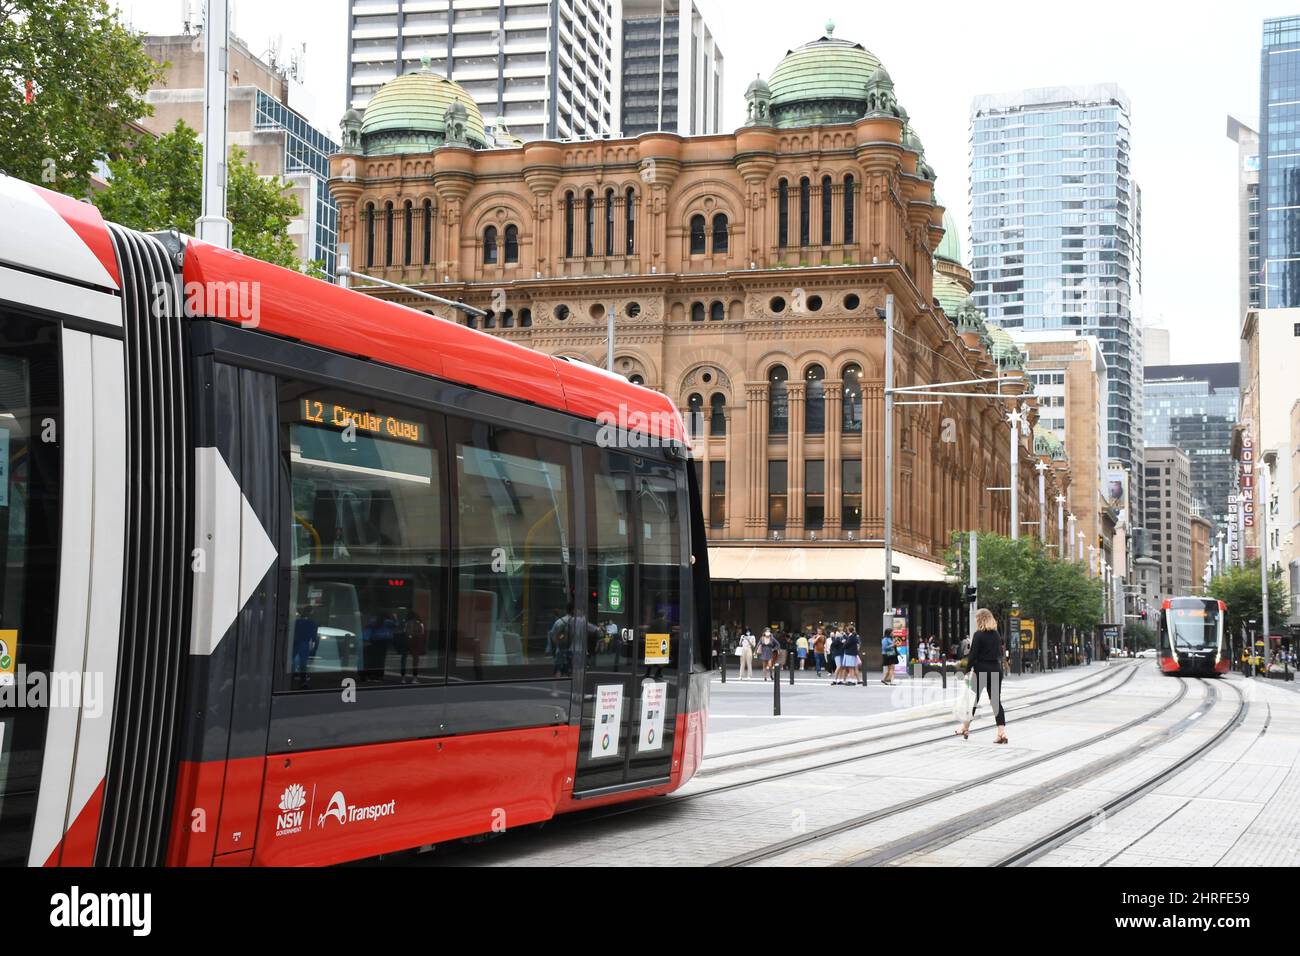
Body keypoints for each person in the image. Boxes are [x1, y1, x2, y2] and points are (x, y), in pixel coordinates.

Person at [957, 608, 1008, 743]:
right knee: (996, 702)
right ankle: (1001, 732)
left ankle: (965, 727)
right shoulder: (997, 635)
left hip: (981, 671)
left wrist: (967, 671)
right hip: (996, 670)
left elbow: (973, 655)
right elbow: (999, 654)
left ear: (980, 619)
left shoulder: (978, 635)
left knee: (972, 701)